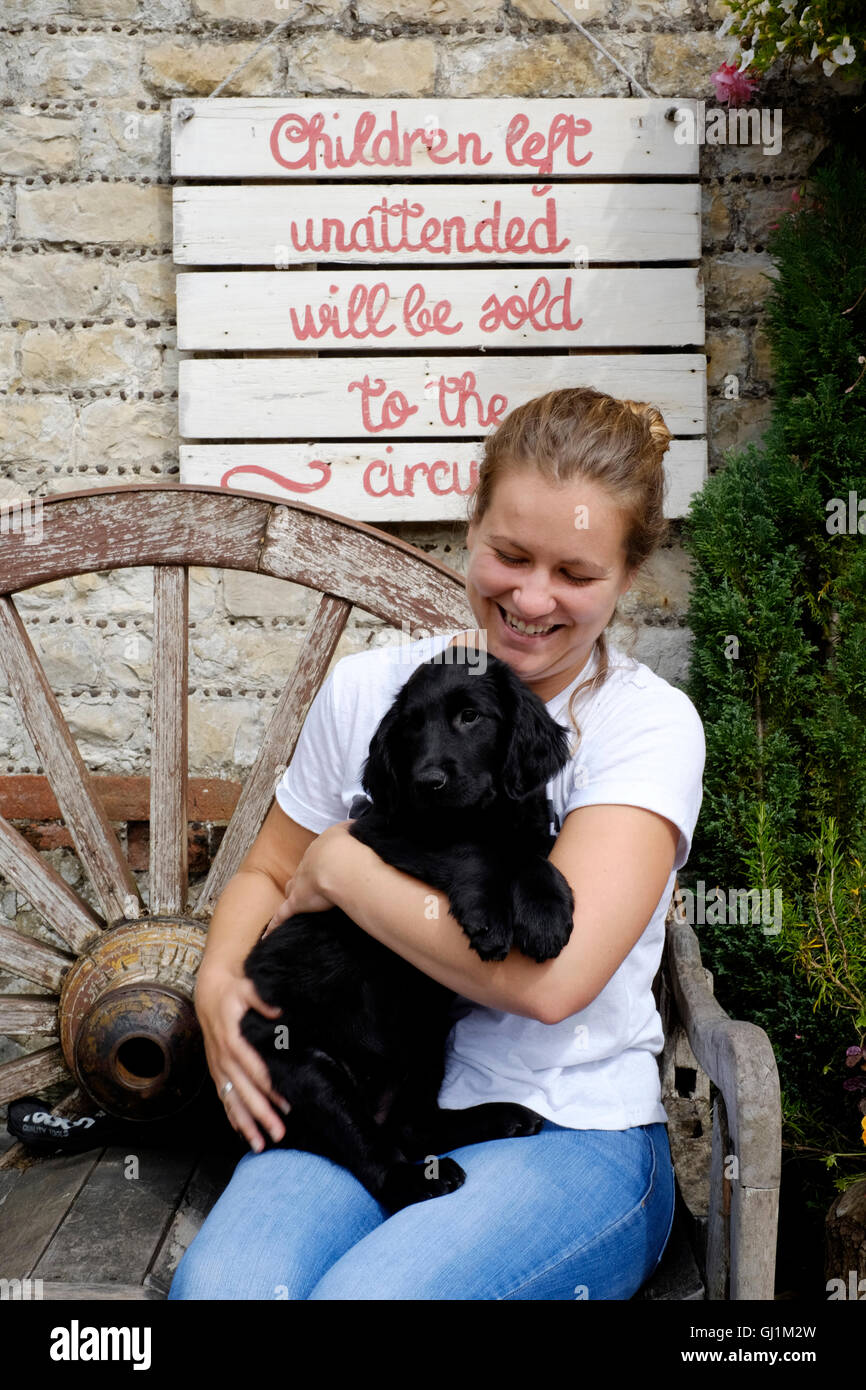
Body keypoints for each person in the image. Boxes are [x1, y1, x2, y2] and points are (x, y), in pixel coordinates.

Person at [168, 385, 705, 1301]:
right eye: (508, 555)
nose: (531, 598)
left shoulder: (645, 728)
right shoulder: (373, 691)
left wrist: (342, 867)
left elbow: (549, 979)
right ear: (470, 530)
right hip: (364, 1105)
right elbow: (265, 870)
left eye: (575, 574)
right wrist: (219, 984)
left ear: (629, 577)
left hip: (573, 1129)